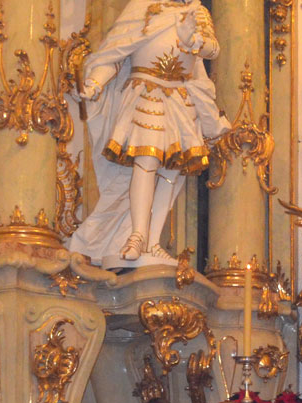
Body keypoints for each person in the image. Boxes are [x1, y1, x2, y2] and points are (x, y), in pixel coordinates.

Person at [69, 0, 230, 267]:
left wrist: (193, 41)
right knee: (146, 160)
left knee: (171, 172)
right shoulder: (142, 7)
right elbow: (117, 53)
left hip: (181, 97)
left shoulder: (197, 12)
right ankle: (137, 236)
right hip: (147, 92)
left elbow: (214, 49)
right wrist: (94, 84)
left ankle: (153, 242)